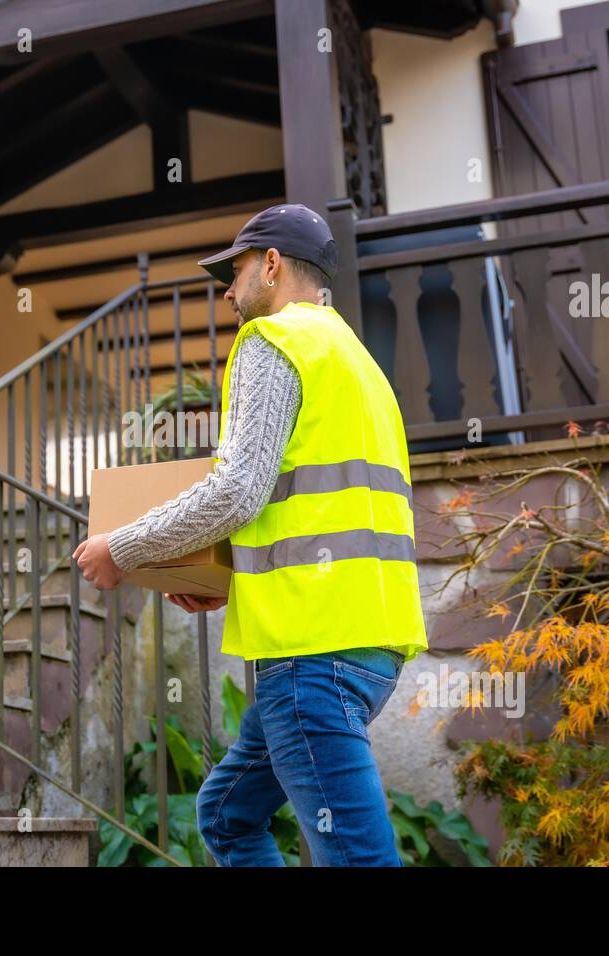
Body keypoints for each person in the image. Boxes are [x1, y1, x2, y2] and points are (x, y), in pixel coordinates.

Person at [72, 202, 428, 866]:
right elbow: (321, 517)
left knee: (355, 858)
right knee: (229, 813)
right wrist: (224, 580)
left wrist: (120, 548)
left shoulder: (273, 341)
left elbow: (238, 488)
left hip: (310, 656)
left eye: (234, 273)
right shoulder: (359, 363)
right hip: (370, 647)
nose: (229, 292)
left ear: (270, 264)